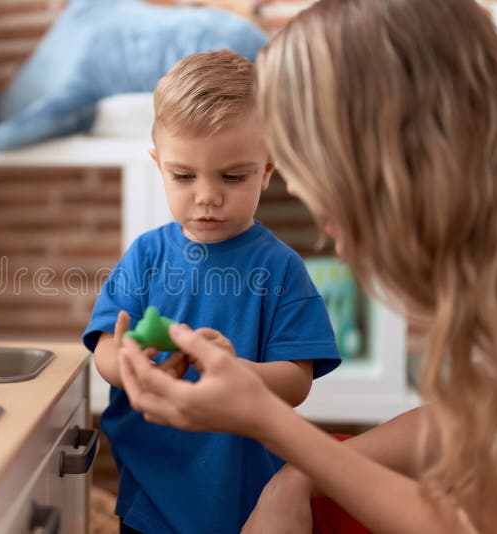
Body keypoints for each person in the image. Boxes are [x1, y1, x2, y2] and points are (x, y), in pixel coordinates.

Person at [117, 0, 497, 533]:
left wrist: (270, 424)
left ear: (386, 152)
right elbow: (473, 423)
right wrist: (298, 474)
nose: (293, 186)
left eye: (305, 154)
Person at [82, 50, 342, 533]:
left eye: (232, 176)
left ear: (266, 170)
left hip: (244, 501)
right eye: (184, 176)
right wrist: (130, 363)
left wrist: (237, 373)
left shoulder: (282, 268)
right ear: (159, 166)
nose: (206, 195)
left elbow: (297, 381)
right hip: (150, 498)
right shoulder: (145, 256)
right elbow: (104, 348)